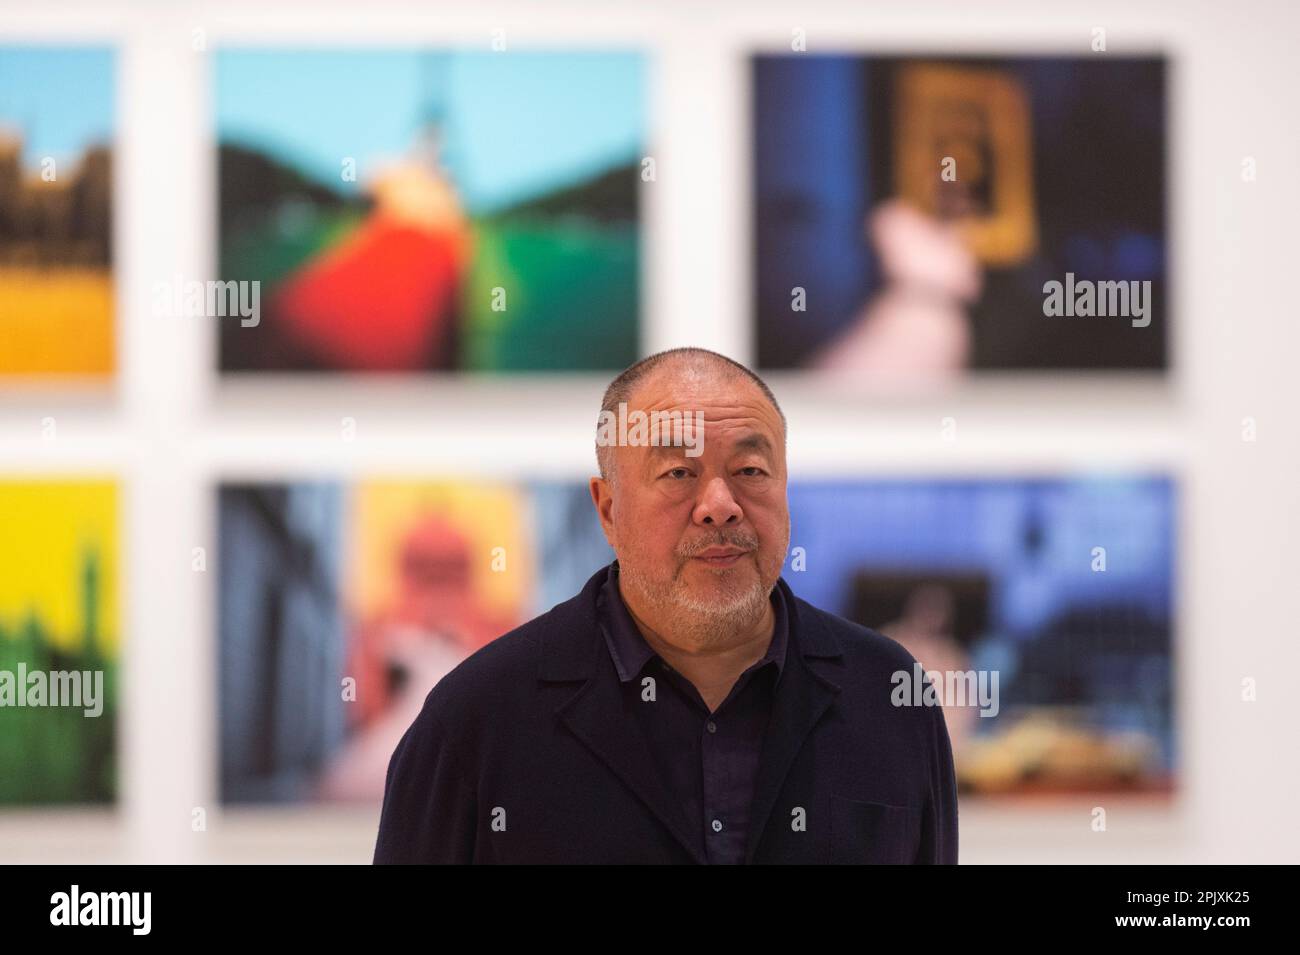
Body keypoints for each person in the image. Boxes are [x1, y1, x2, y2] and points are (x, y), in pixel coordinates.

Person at [373, 347, 958, 863]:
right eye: (678, 472)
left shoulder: (889, 696)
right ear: (608, 510)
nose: (720, 505)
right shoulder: (478, 718)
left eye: (751, 470)